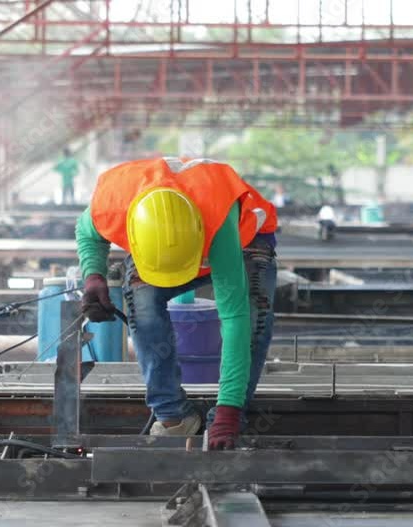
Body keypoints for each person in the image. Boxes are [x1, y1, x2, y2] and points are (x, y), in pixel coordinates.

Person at [75, 157, 278, 450]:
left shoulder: (219, 224)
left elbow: (235, 321)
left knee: (253, 313)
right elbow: (87, 233)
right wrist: (94, 276)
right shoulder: (112, 202)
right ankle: (174, 416)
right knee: (142, 302)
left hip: (246, 240)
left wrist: (228, 411)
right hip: (160, 246)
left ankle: (228, 419)